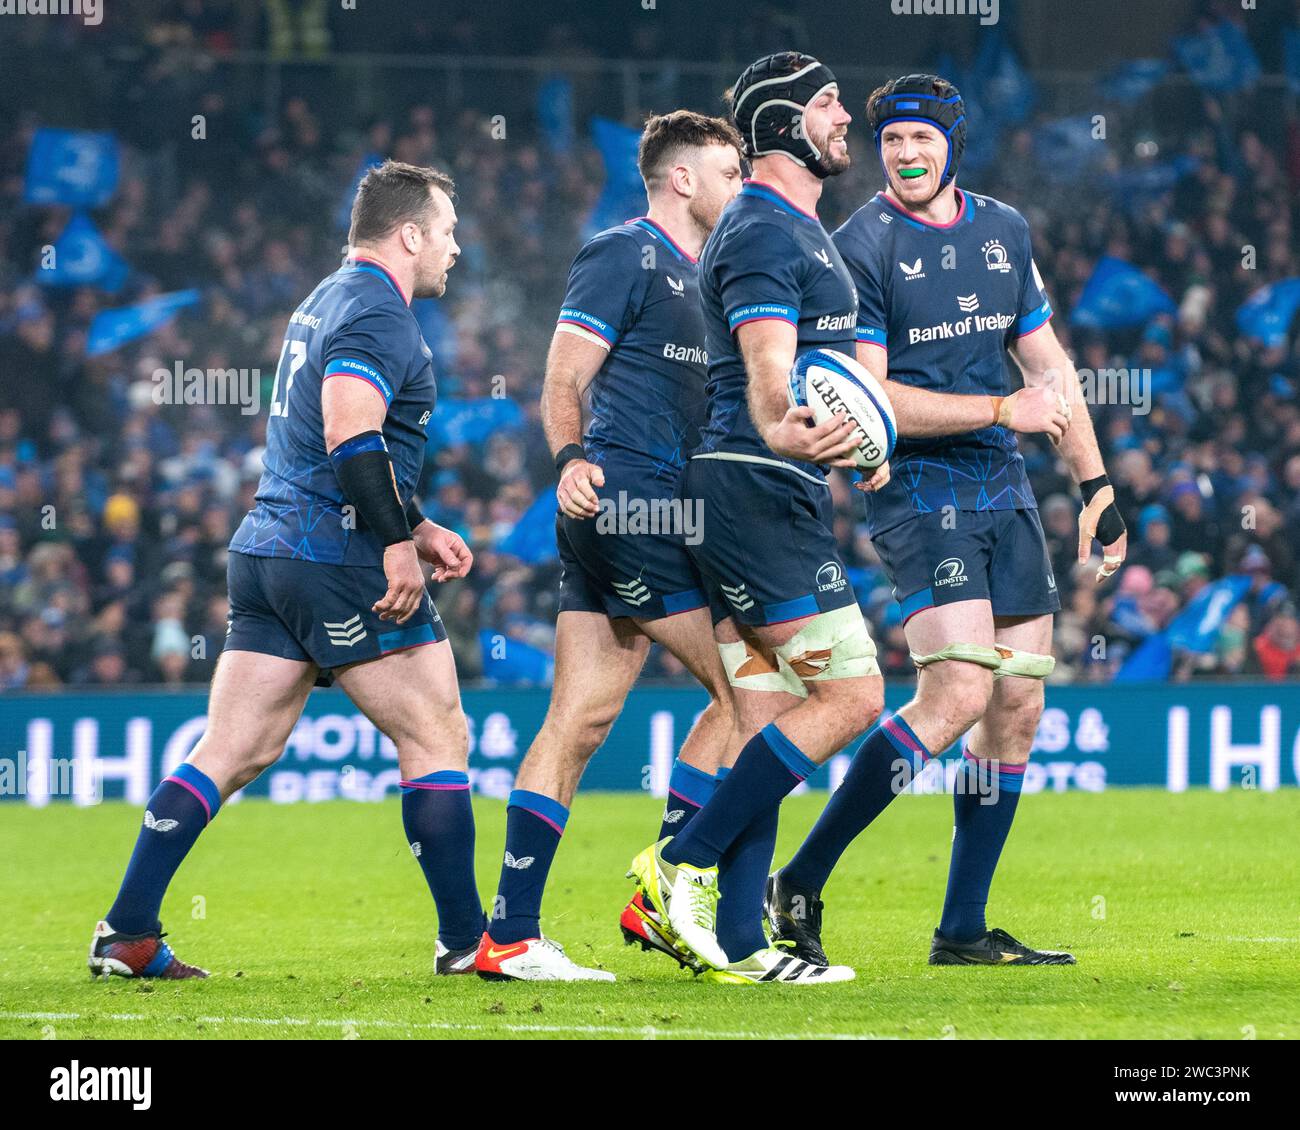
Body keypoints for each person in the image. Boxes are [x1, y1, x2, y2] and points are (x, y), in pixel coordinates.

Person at [88, 161, 486, 979]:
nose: (456, 247)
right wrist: (392, 542)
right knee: (436, 731)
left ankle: (127, 931)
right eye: (447, 231)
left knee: (231, 748)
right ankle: (469, 940)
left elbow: (322, 440)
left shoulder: (324, 297)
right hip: (333, 556)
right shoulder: (382, 313)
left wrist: (419, 521)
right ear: (409, 234)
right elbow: (350, 436)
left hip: (266, 552)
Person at [766, 74, 1126, 967]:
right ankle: (801, 878)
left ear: (951, 146)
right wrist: (1001, 412)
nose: (906, 154)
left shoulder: (1005, 231)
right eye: (890, 141)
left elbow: (1050, 366)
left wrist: (1098, 489)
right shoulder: (862, 245)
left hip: (1001, 488)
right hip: (917, 488)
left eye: (921, 139)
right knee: (957, 692)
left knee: (1017, 704)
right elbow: (873, 395)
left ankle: (962, 928)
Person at [629, 52, 892, 986]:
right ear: (782, 121)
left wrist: (853, 437)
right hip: (753, 482)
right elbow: (767, 366)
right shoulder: (763, 231)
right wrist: (791, 424)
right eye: (826, 101)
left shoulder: (799, 227)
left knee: (770, 709)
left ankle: (744, 941)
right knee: (856, 699)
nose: (842, 117)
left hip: (762, 483)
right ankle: (680, 866)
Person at [474, 111, 748, 982]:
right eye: (729, 171)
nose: (741, 185)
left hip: (646, 512)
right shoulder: (623, 253)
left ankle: (509, 934)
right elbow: (563, 376)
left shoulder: (712, 278)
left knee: (580, 721)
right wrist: (567, 458)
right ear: (680, 180)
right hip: (632, 506)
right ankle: (670, 881)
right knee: (758, 691)